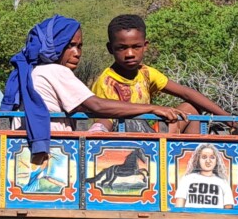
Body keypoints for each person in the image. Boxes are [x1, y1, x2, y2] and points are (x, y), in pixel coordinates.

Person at [0, 15, 185, 164]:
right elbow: (95, 105)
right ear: (54, 44)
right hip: (56, 149)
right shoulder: (55, 71)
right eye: (70, 45)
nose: (77, 53)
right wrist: (151, 108)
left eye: (80, 46)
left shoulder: (33, 70)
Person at [92, 14, 231, 134]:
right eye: (122, 48)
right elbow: (105, 120)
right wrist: (154, 109)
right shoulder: (106, 82)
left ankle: (188, 157)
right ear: (111, 49)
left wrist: (228, 119)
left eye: (136, 47)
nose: (129, 54)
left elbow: (186, 93)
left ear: (145, 46)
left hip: (148, 133)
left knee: (191, 108)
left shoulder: (146, 73)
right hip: (123, 138)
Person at [172, 143, 235, 208]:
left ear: (217, 161)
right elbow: (179, 206)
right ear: (197, 160)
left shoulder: (223, 182)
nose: (208, 161)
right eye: (204, 157)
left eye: (212, 157)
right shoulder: (187, 179)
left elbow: (228, 208)